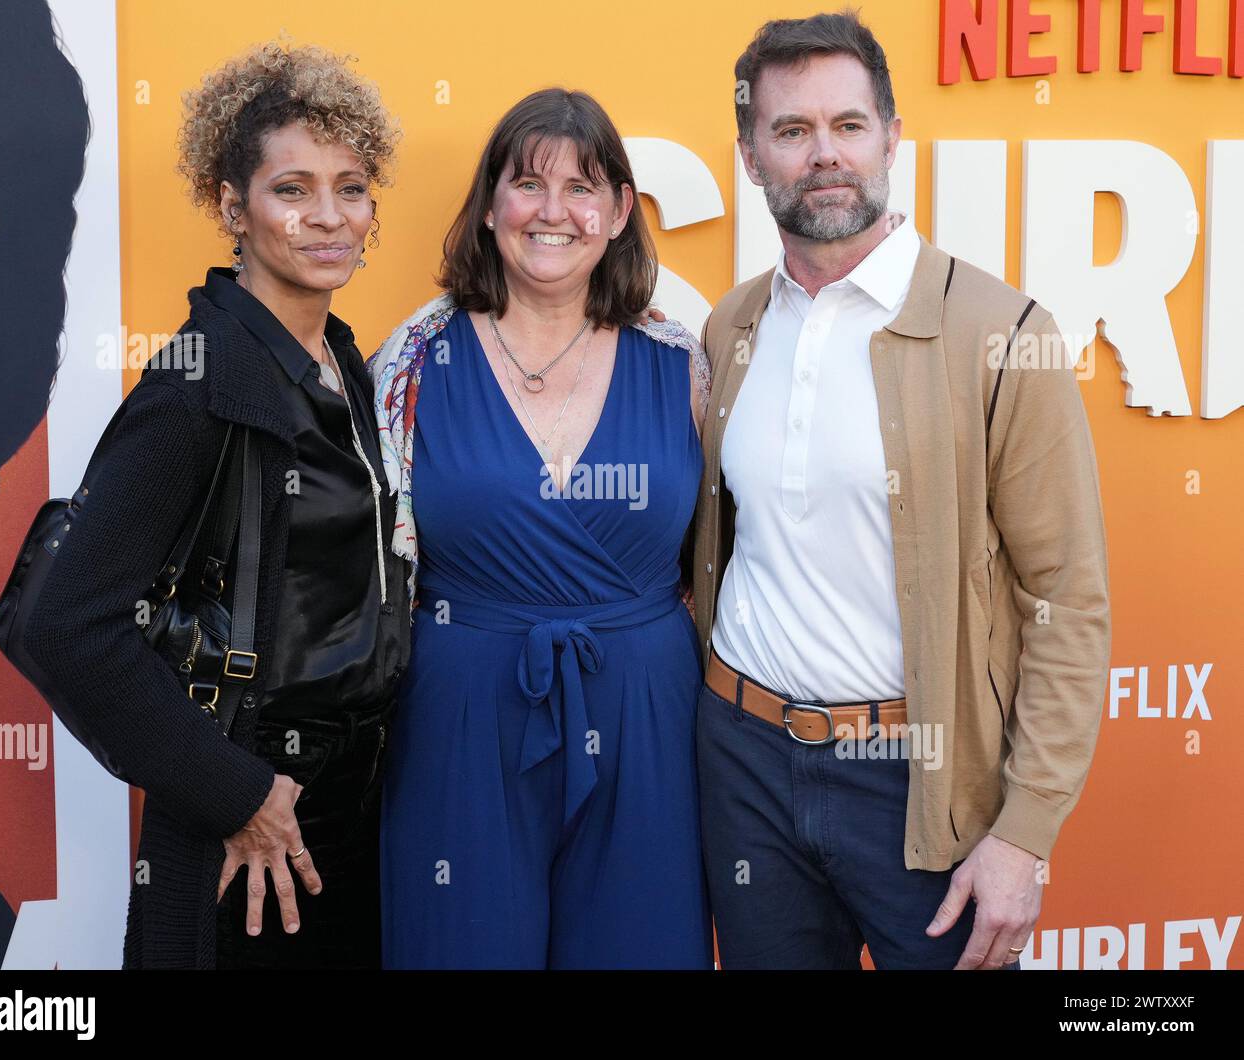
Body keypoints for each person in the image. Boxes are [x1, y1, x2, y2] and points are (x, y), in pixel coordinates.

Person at [689, 12, 1111, 970]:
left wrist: (1025, 833)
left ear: (893, 136)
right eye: (791, 131)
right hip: (742, 760)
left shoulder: (1005, 334)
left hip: (918, 781)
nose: (823, 153)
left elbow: (1068, 601)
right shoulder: (732, 325)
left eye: (848, 124)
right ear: (753, 155)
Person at [19, 41, 408, 969]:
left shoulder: (339, 358)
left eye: (351, 188)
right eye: (292, 189)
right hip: (252, 817)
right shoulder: (200, 383)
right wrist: (234, 792)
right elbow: (63, 624)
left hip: (349, 808)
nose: (328, 218)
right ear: (231, 206)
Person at [368, 88, 714, 968]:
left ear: (622, 212)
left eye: (584, 187)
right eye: (528, 185)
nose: (554, 212)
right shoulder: (407, 364)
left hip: (647, 714)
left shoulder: (686, 364)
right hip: (462, 712)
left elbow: (727, 552)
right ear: (490, 207)